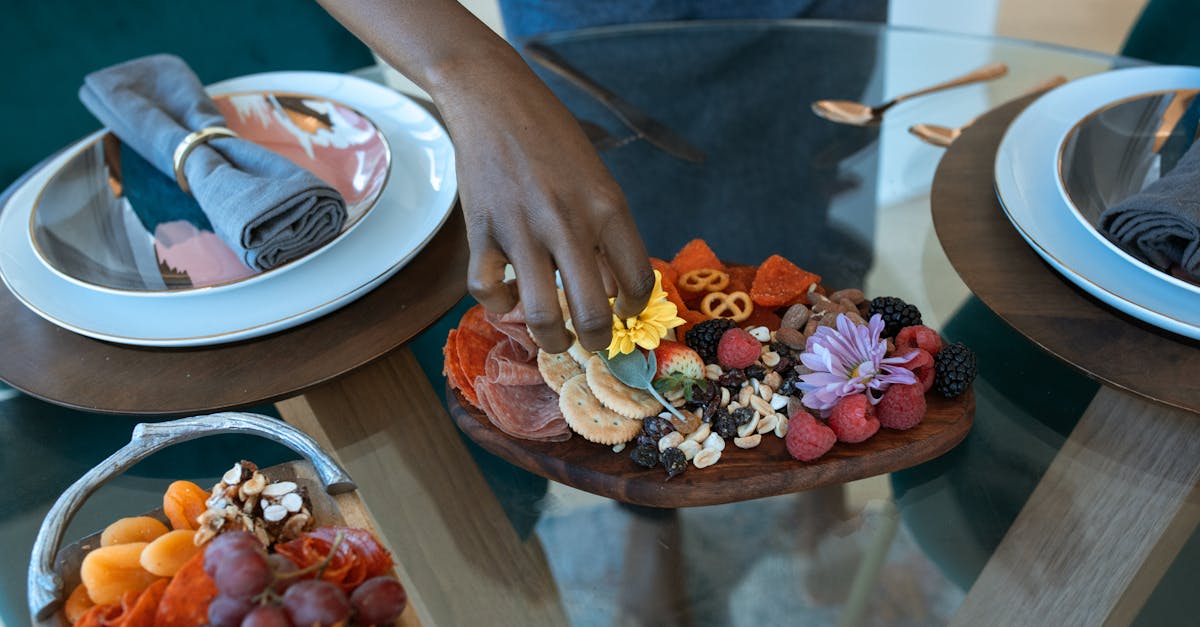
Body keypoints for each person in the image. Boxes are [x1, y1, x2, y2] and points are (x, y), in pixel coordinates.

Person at [316, 0, 887, 357]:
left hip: (814, 18)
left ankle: (817, 411)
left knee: (796, 225)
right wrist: (467, 70)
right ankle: (646, 504)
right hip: (589, 26)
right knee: (625, 275)